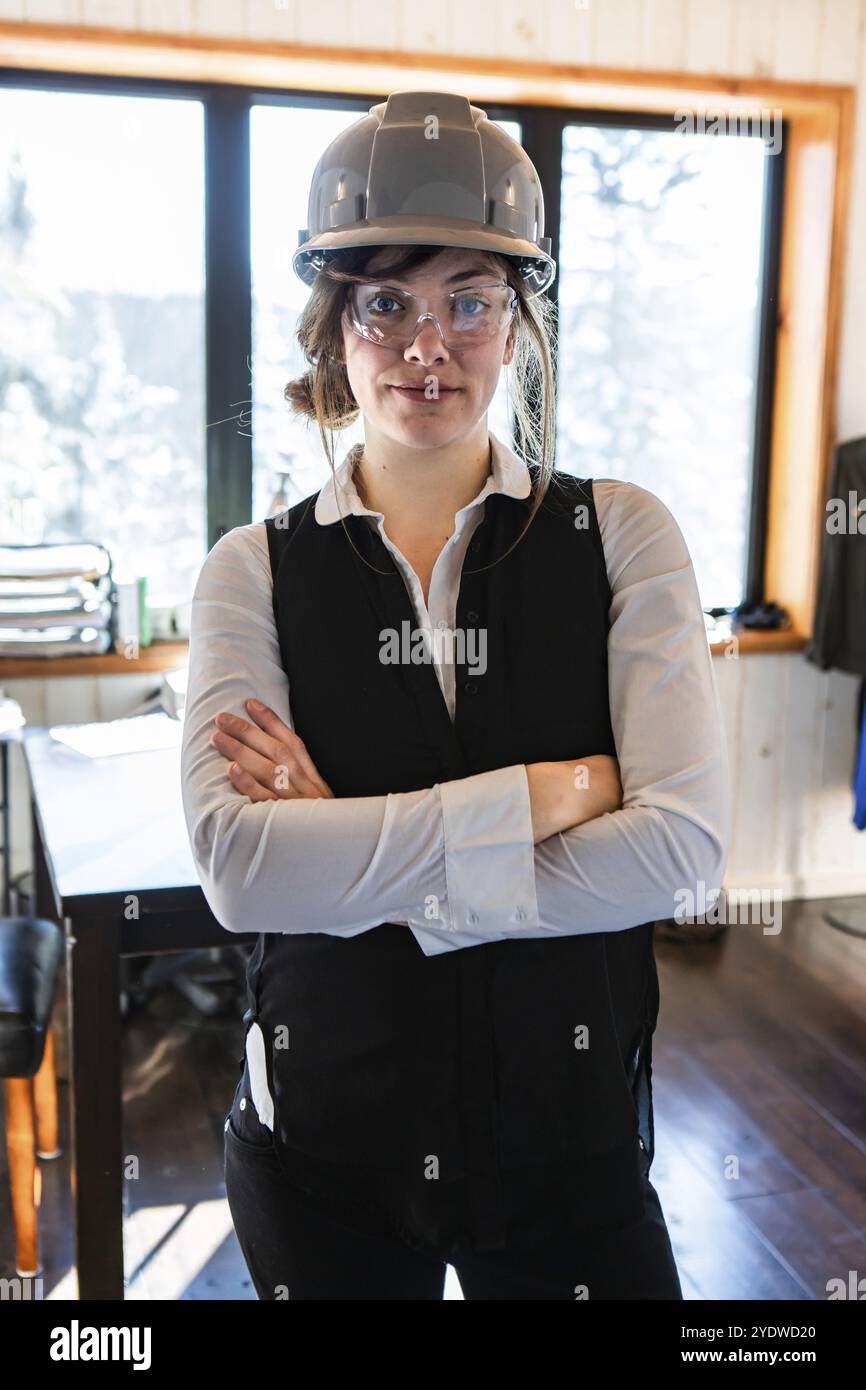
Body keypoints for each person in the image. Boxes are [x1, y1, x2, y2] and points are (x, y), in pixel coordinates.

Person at [180, 90, 730, 1300]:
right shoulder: (250, 568)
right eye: (386, 304)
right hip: (321, 1146)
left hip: (568, 1147)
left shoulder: (621, 535)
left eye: (469, 302)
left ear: (517, 326)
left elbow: (678, 853)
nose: (428, 347)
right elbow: (242, 872)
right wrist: (552, 795)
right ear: (332, 329)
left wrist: (351, 859)